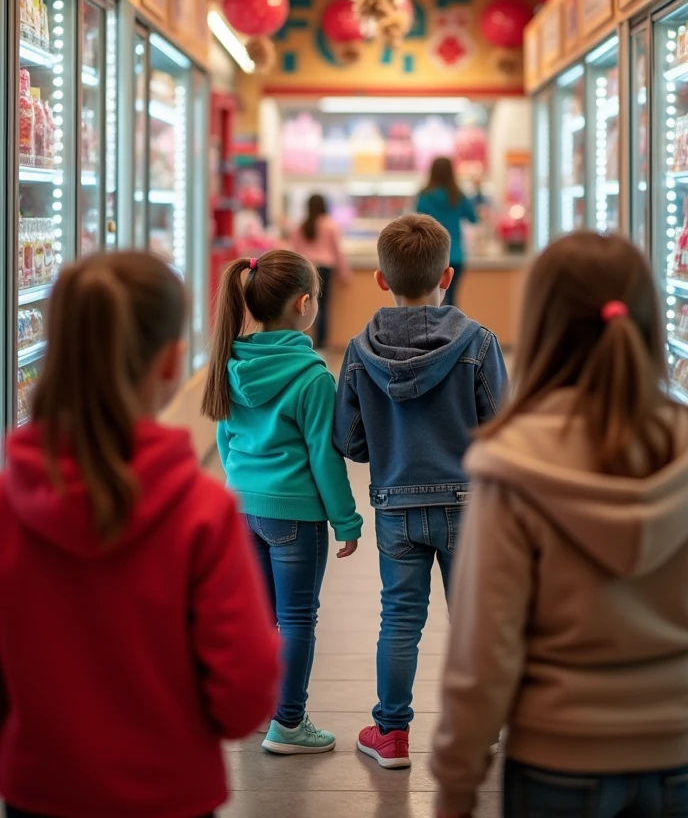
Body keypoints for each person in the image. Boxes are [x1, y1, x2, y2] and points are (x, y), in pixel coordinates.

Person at [0, 252, 280, 818]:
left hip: (38, 791)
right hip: (170, 792)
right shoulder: (201, 512)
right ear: (174, 362)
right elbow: (244, 697)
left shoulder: (8, 507)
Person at [432, 231, 688, 818]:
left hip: (558, 761)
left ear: (542, 326)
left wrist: (455, 787)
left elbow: (482, 655)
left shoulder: (512, 463)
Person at [333, 214, 508, 769]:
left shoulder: (361, 352)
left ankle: (391, 735)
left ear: (381, 279)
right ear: (448, 275)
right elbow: (501, 428)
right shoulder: (479, 343)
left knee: (400, 619)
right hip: (468, 506)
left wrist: (387, 445)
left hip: (394, 506)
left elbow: (348, 439)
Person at [202, 249, 363, 756]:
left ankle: (259, 710)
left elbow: (227, 443)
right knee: (297, 620)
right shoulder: (313, 377)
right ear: (305, 303)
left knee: (262, 618)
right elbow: (324, 459)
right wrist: (347, 520)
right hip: (295, 516)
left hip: (241, 509)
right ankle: (289, 723)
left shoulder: (232, 365)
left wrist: (244, 487)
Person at [291, 193, 350, 349]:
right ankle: (321, 344)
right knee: (322, 306)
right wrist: (344, 272)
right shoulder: (330, 225)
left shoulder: (300, 226)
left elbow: (295, 250)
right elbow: (337, 251)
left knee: (302, 305)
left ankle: (302, 341)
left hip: (306, 268)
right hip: (325, 269)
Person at [416, 158, 477, 307]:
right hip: (456, 254)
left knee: (433, 301)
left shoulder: (424, 196)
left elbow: (415, 223)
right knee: (452, 299)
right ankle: (454, 329)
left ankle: (434, 330)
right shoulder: (458, 196)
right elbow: (473, 218)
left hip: (431, 255)